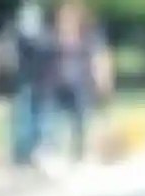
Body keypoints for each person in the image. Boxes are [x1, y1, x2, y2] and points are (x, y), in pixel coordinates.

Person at [50, 0, 112, 164]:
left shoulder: (89, 36)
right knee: (58, 121)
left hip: (81, 84)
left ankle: (80, 153)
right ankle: (61, 153)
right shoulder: (55, 36)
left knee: (81, 121)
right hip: (58, 85)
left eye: (69, 16)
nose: (65, 19)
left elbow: (100, 58)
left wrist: (103, 81)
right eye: (63, 16)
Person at [5, 0, 52, 167]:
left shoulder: (38, 37)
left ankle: (30, 152)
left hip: (35, 83)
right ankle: (26, 153)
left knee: (33, 119)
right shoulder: (27, 37)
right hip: (29, 82)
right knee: (27, 119)